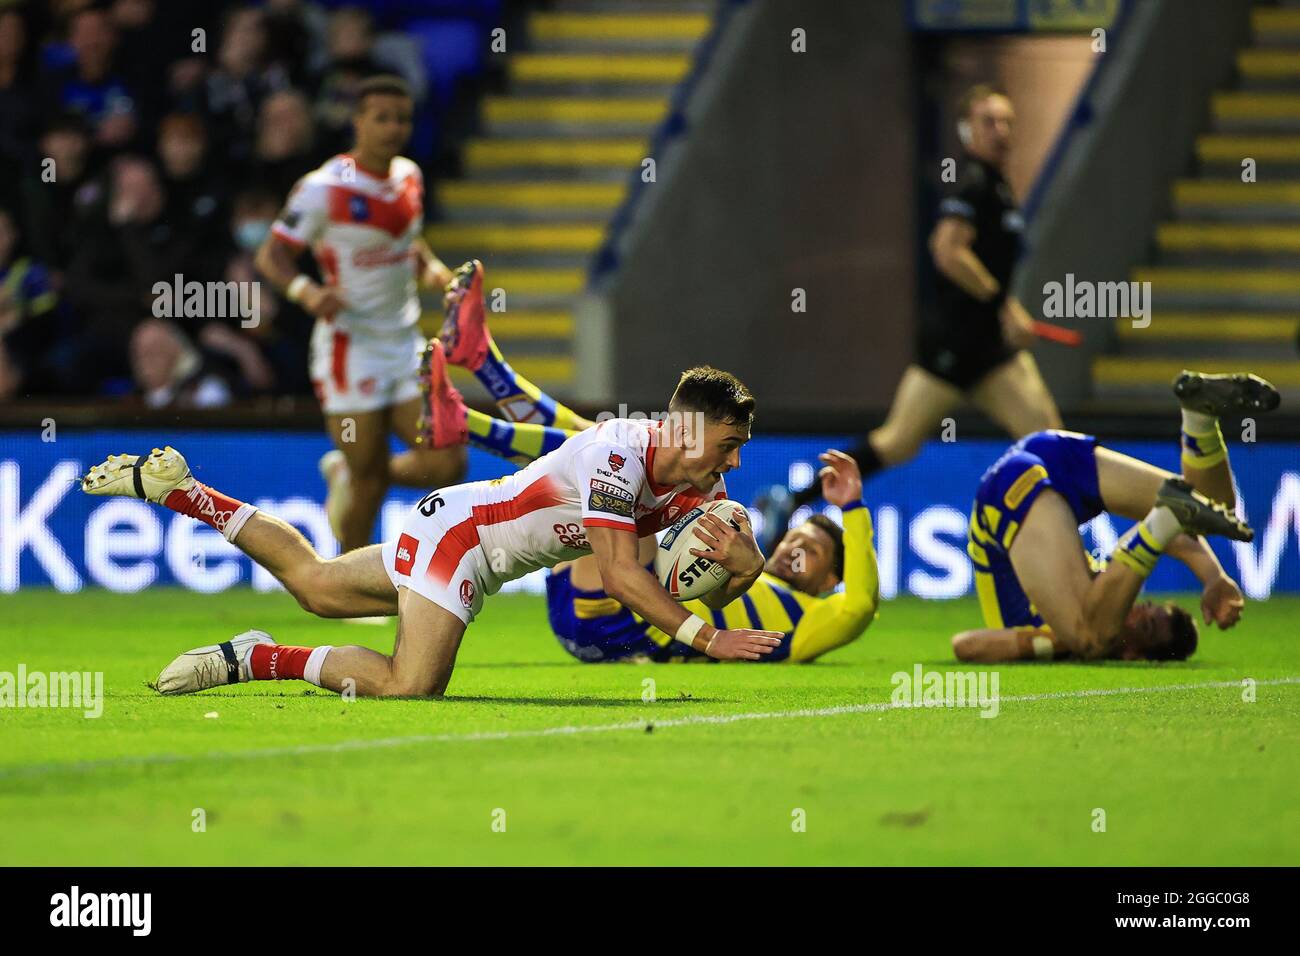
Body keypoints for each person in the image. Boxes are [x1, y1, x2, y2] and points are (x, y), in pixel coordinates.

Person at [81, 367, 784, 698]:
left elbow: (702, 593)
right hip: (462, 541)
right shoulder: (618, 454)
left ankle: (185, 492)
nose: (736, 461)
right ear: (685, 428)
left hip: (461, 532)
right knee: (409, 687)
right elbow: (625, 577)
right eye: (728, 444)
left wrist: (745, 569)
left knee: (317, 586)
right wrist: (709, 639)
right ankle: (262, 661)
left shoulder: (704, 488)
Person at [758, 85, 1061, 549]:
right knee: (899, 442)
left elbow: (983, 270)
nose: (1000, 132)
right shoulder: (973, 185)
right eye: (988, 122)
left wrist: (1006, 308)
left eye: (1006, 122)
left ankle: (1065, 540)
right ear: (967, 131)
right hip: (953, 349)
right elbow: (947, 251)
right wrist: (1003, 304)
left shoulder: (999, 187)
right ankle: (792, 498)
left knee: (1050, 440)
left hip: (989, 351)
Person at [254, 74, 460, 553]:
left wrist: (431, 268)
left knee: (445, 464)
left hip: (404, 343)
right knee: (370, 482)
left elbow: (407, 241)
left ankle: (346, 472)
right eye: (381, 118)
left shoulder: (410, 176)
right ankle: (351, 579)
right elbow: (272, 257)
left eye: (402, 119)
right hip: (351, 346)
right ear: (358, 122)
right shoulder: (323, 188)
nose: (393, 128)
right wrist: (307, 292)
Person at [949, 371, 1277, 663]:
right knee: (1215, 505)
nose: (1134, 610)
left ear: (1134, 653)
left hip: (1010, 489)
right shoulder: (1093, 608)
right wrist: (1213, 577)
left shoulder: (1074, 622)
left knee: (1089, 636)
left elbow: (967, 645)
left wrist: (1063, 643)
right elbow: (1181, 540)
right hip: (1040, 464)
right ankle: (1197, 422)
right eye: (1145, 607)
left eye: (1145, 625)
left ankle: (1197, 425)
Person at [548, 450, 879, 663]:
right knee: (583, 488)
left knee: (622, 482)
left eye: (809, 551)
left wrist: (852, 508)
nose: (793, 550)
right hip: (570, 604)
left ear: (830, 580)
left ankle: (523, 414)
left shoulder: (809, 619)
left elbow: (860, 606)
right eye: (793, 540)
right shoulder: (746, 571)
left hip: (623, 624)